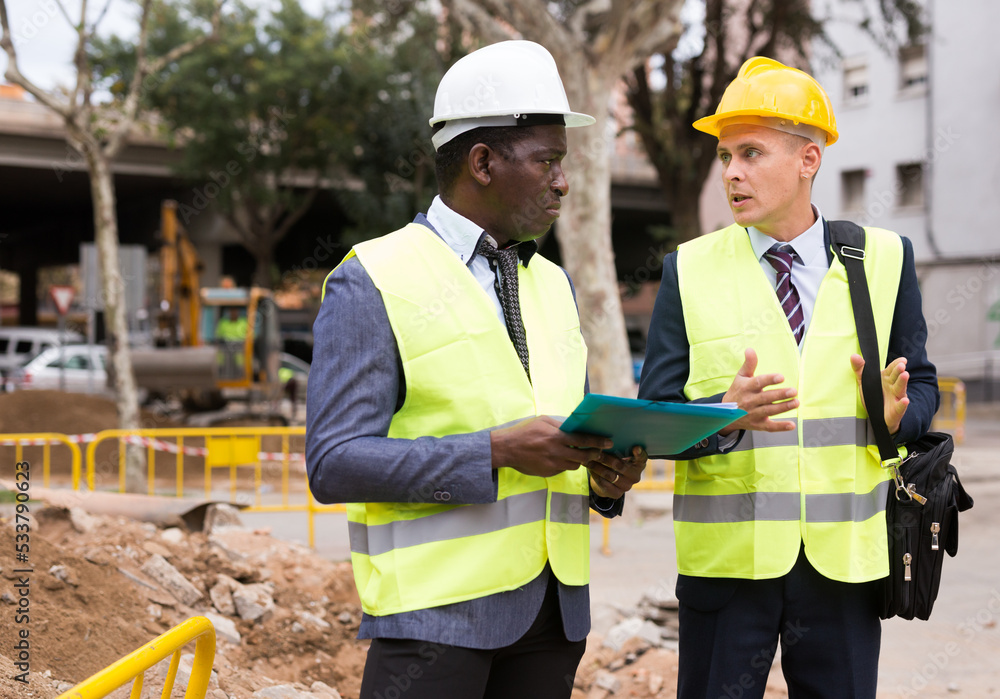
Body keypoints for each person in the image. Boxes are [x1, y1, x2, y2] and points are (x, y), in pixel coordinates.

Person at [306, 40, 648, 699]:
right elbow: (334, 462)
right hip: (436, 624)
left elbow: (565, 437)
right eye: (547, 160)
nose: (563, 181)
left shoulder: (551, 284)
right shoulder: (373, 278)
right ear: (484, 162)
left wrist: (605, 475)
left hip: (553, 618)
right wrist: (494, 451)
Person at [637, 56, 939, 699]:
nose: (732, 173)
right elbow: (654, 419)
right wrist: (722, 413)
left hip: (842, 568)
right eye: (724, 157)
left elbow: (925, 388)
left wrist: (898, 421)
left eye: (751, 153)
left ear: (809, 160)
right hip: (728, 569)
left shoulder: (884, 260)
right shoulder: (686, 271)